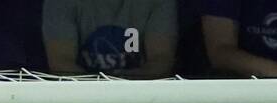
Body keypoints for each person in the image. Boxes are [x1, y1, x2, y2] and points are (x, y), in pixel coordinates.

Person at [42, 0, 178, 77]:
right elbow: (60, 63)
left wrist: (124, 88)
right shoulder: (60, 2)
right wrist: (101, 92)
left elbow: (161, 59)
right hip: (80, 101)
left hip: (142, 99)